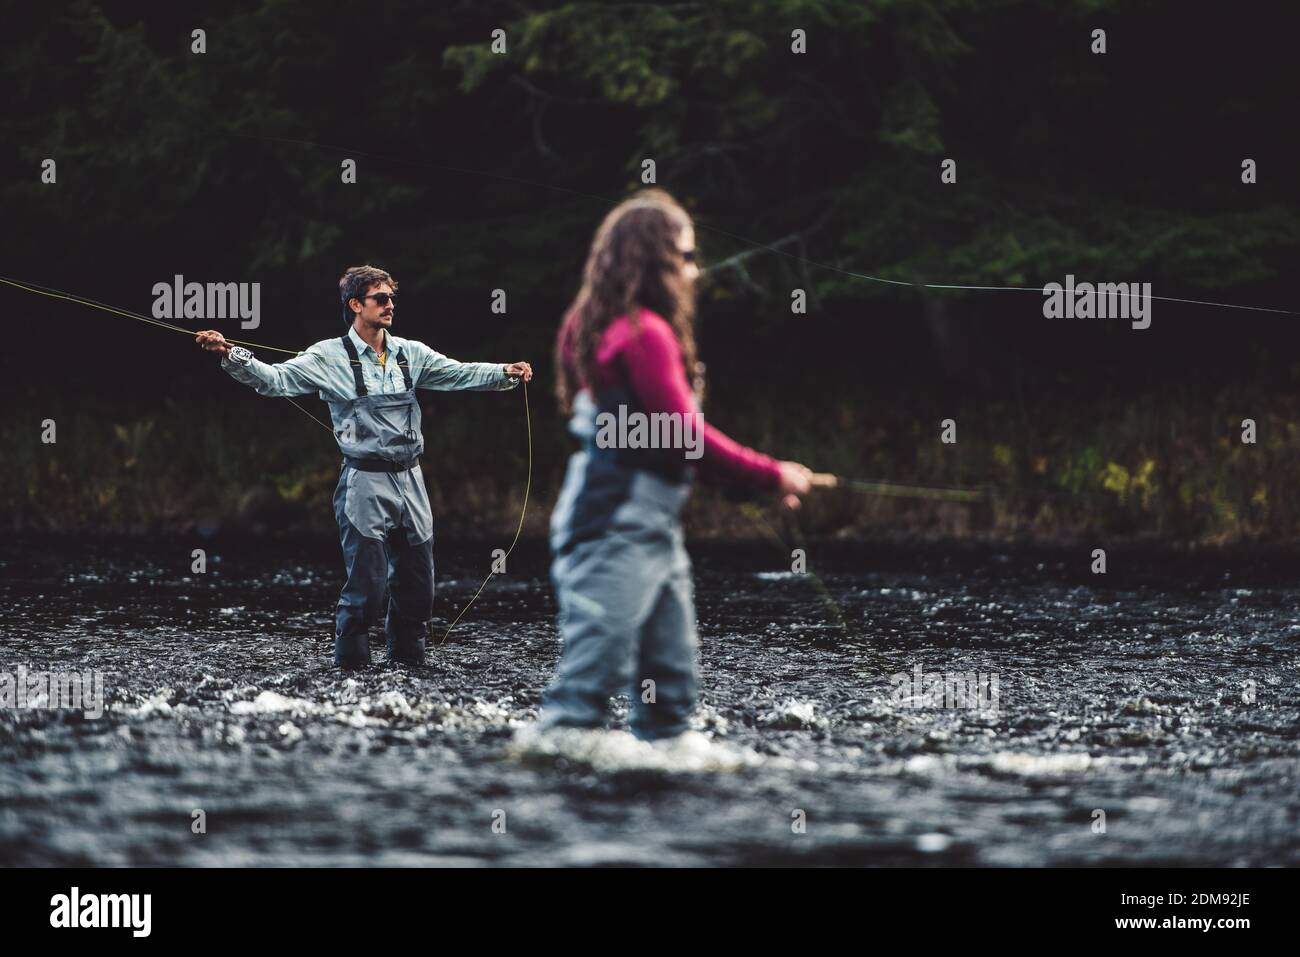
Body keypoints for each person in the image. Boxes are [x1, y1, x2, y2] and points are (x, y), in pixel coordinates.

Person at [540, 190, 814, 742]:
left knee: (670, 692)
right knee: (585, 693)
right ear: (657, 259)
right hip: (611, 529)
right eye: (686, 256)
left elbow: (662, 442)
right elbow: (685, 436)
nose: (696, 269)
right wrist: (771, 474)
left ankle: (662, 795)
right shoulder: (644, 335)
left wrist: (749, 488)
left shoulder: (597, 325)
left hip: (651, 534)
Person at [196, 265, 533, 669]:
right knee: (368, 589)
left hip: (412, 480)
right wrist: (232, 354)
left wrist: (505, 373)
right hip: (364, 483)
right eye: (380, 298)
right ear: (356, 305)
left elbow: (459, 373)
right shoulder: (327, 356)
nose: (390, 305)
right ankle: (351, 675)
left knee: (418, 590)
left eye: (391, 298)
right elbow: (274, 381)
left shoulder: (412, 353)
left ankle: (409, 671)